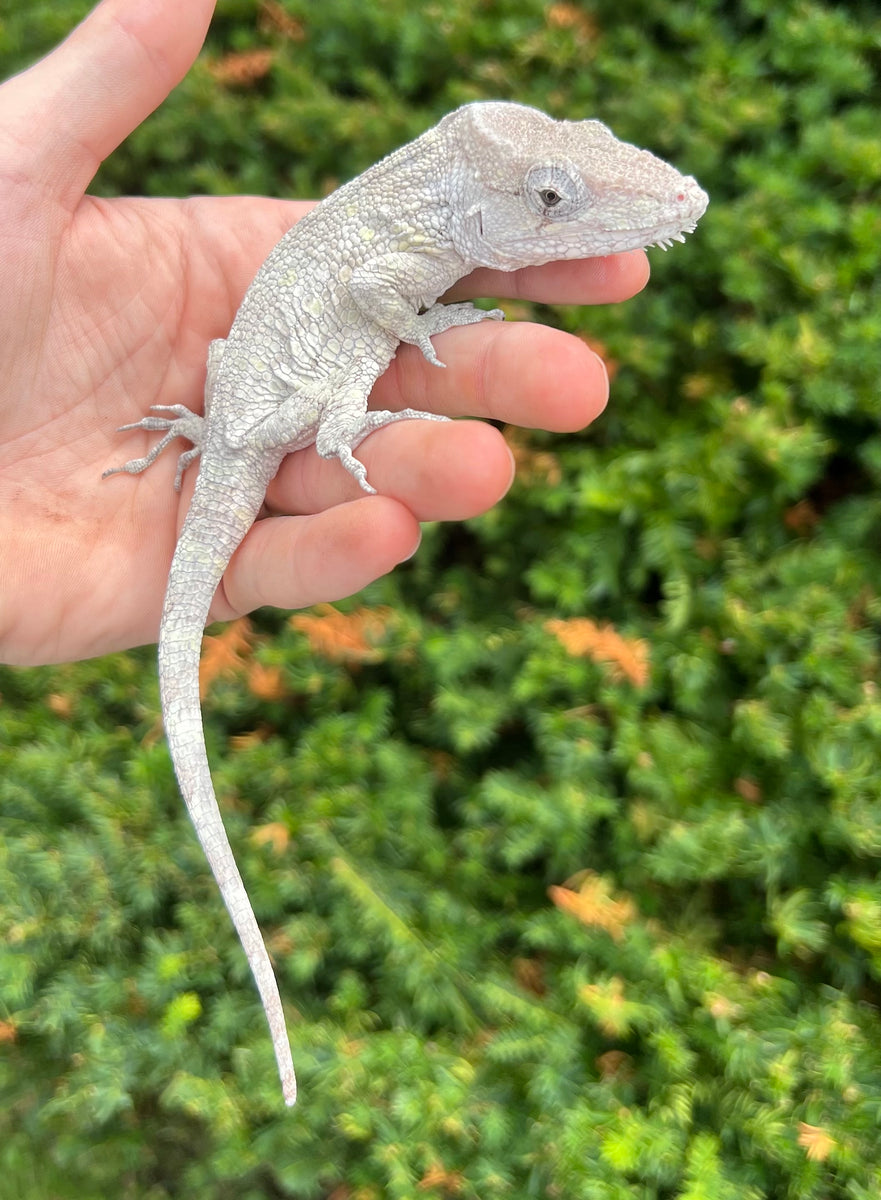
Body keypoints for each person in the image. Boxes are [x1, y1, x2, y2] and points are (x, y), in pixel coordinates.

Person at [0, 0, 649, 669]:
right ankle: (335, 431)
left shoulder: (437, 223)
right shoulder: (428, 239)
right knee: (344, 423)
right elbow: (371, 290)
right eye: (548, 198)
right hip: (263, 424)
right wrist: (420, 324)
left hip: (241, 408)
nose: (551, 208)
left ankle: (282, 427)